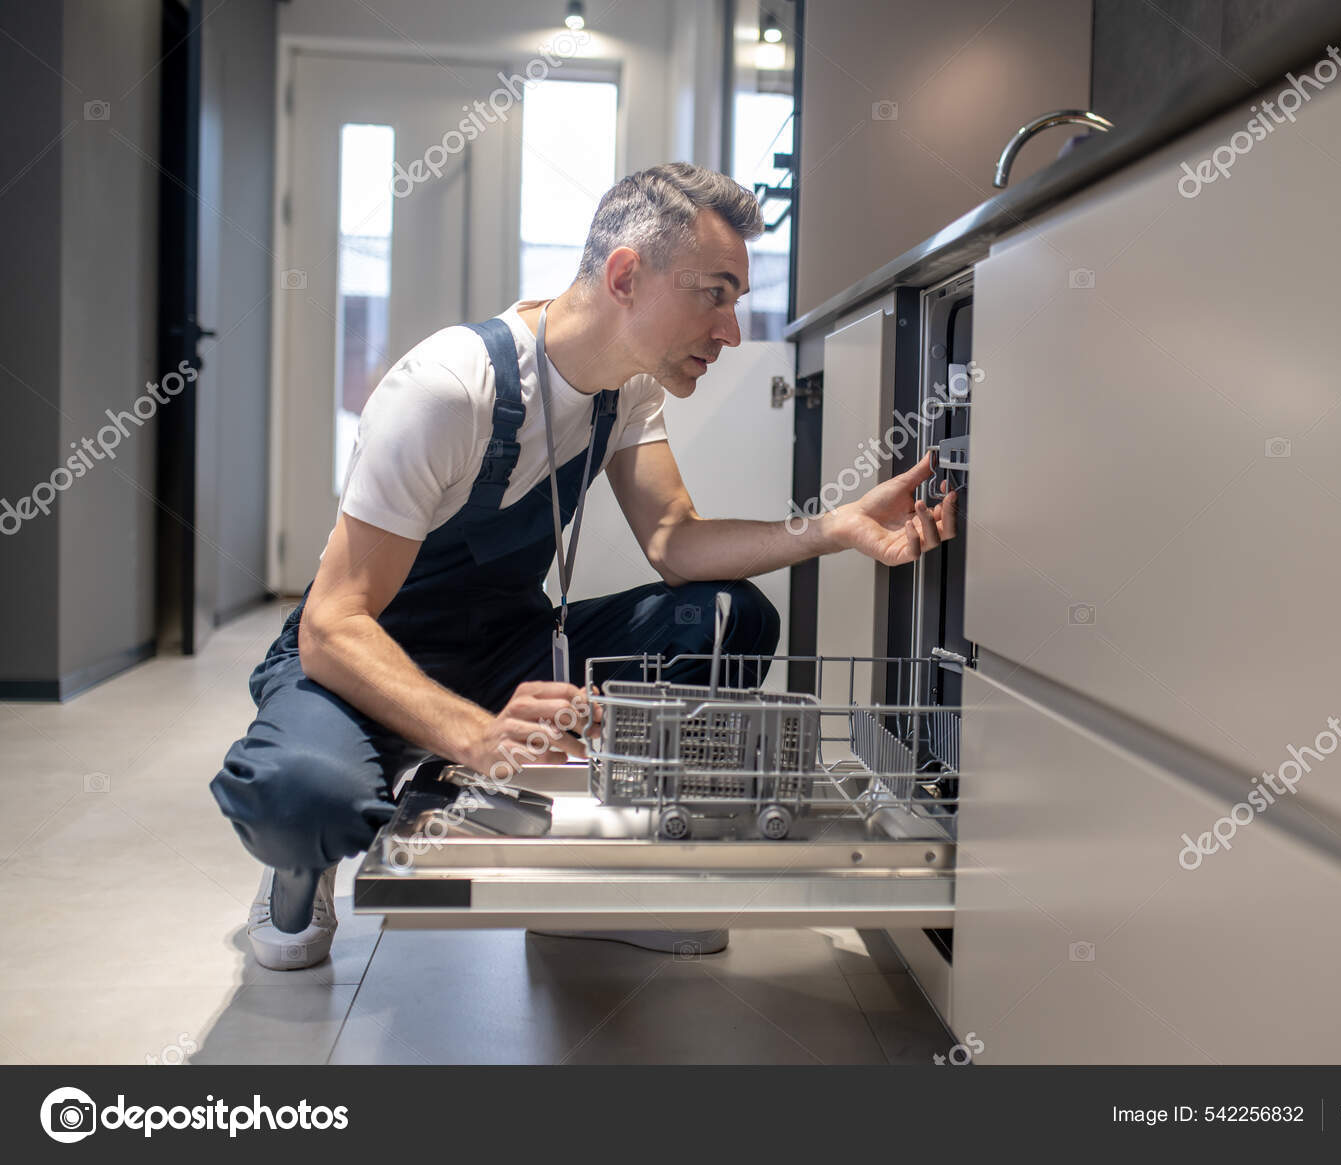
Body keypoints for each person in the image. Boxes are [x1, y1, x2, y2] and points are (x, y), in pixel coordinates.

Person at [210, 163, 959, 971]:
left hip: (503, 650)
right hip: (363, 656)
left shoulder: (626, 390)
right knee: (303, 795)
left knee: (728, 615)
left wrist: (835, 527)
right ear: (626, 274)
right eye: (716, 292)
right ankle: (297, 870)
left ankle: (588, 891)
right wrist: (475, 735)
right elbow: (331, 624)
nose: (733, 330)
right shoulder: (450, 389)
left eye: (737, 300)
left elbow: (675, 540)